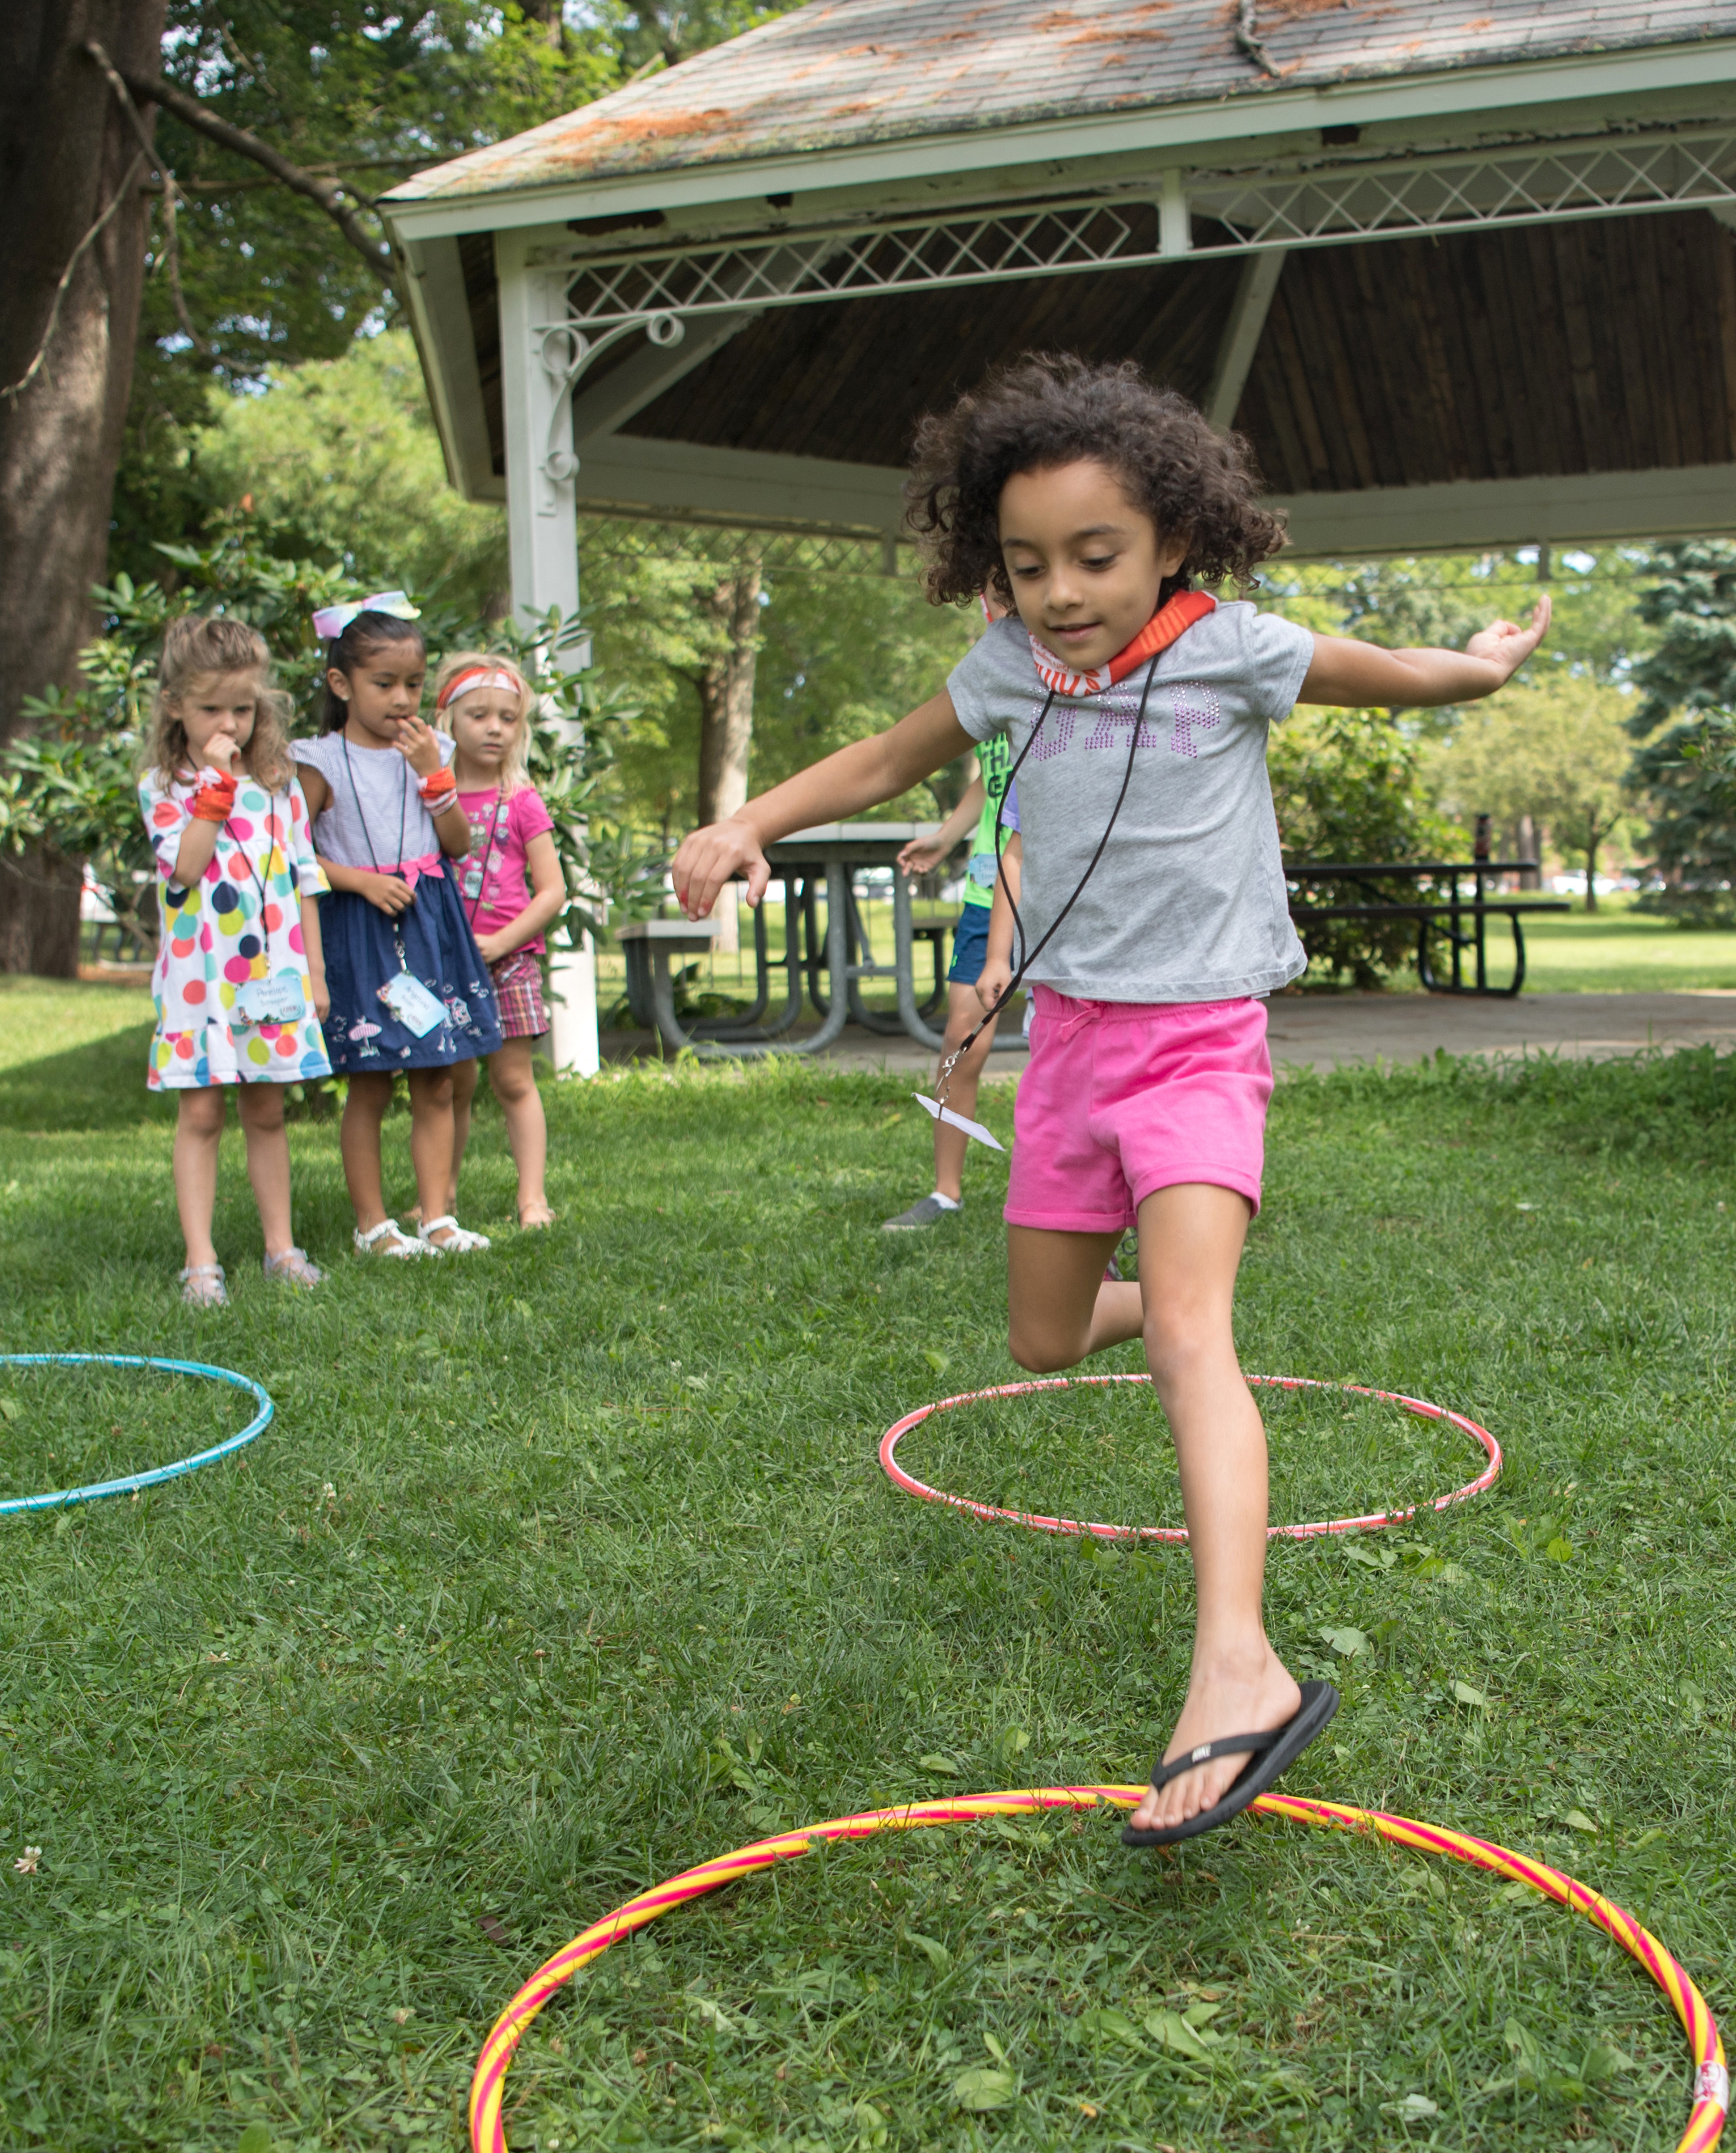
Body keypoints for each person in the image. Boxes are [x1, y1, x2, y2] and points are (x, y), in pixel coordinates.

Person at [672, 353, 1549, 1848]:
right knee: (1038, 1335)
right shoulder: (1010, 668)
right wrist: (744, 816)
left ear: (1170, 543)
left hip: (1198, 1041)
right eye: (1023, 564)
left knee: (1193, 1337)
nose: (1059, 591)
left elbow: (1391, 680)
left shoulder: (1232, 649)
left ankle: (1236, 1666)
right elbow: (889, 755)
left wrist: (1477, 662)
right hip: (1066, 1050)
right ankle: (1173, 1276)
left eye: (1093, 556)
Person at [291, 594, 503, 1259]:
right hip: (362, 925)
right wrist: (358, 881)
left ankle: (437, 1217)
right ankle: (373, 1225)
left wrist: (433, 777)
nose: (402, 698)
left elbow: (459, 843)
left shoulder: (432, 749)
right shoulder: (320, 761)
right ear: (340, 684)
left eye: (413, 683)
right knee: (372, 1080)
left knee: (439, 1076)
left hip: (429, 927)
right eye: (384, 684)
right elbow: (294, 857)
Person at [140, 613, 333, 1307]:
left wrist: (314, 974)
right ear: (175, 707)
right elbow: (187, 867)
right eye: (211, 708)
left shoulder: (279, 784)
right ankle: (201, 1262)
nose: (230, 722)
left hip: (272, 983)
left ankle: (281, 1248)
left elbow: (304, 880)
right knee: (201, 1116)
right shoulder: (165, 788)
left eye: (244, 708)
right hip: (203, 987)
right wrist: (215, 788)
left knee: (267, 1112)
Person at [424, 651, 566, 1229]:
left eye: (508, 718)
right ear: (448, 721)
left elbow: (552, 891)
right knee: (452, 1083)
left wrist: (502, 942)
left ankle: (532, 1198)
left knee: (513, 1080)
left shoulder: (522, 802)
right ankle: (444, 1192)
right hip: (447, 962)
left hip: (510, 963)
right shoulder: (431, 797)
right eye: (479, 715)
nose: (494, 728)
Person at [882, 736, 1024, 1232]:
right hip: (989, 894)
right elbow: (992, 779)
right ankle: (946, 1194)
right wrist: (947, 837)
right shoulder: (993, 689)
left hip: (1066, 889)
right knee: (961, 1042)